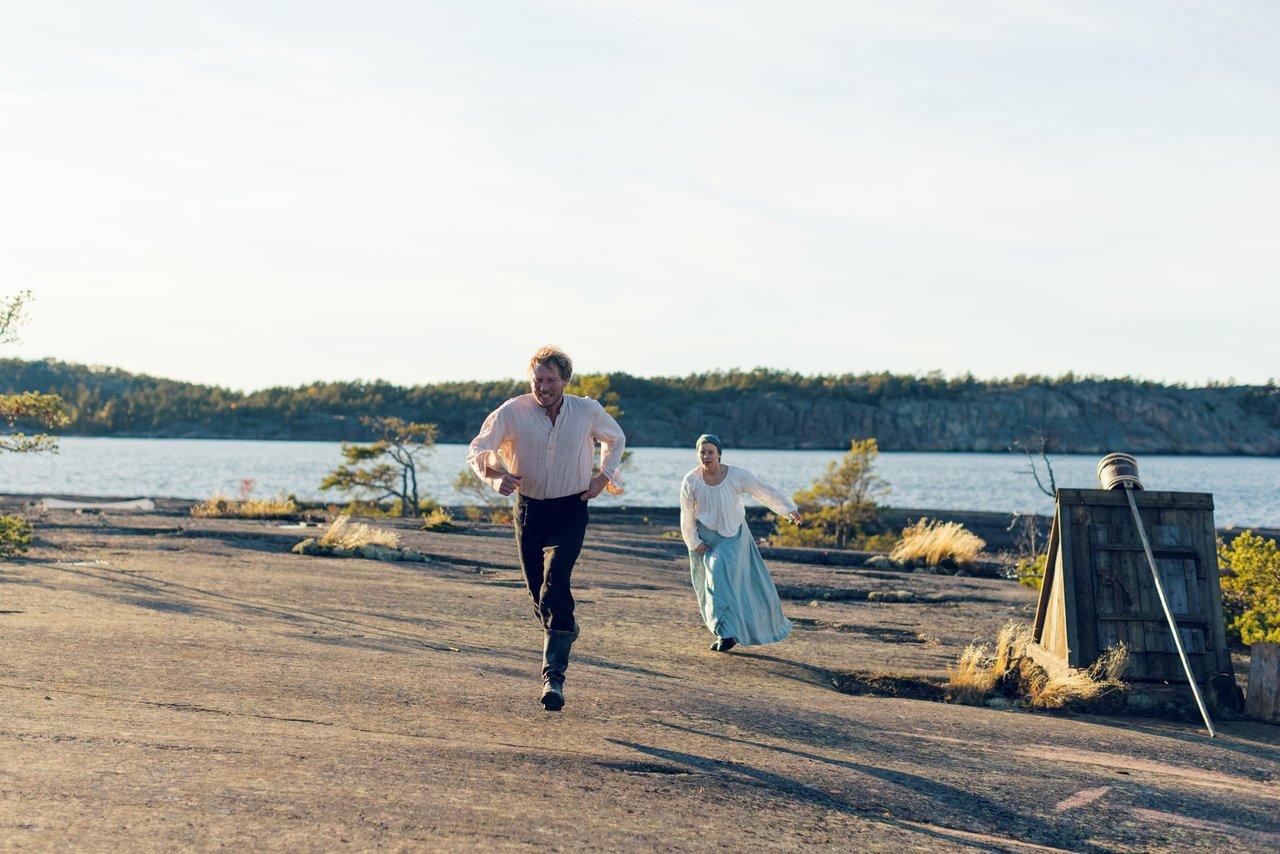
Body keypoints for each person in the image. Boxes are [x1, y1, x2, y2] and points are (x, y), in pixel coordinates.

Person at [467, 346, 626, 711]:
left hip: (572, 508)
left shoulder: (587, 410)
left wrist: (603, 478)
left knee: (556, 583)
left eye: (550, 380)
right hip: (530, 510)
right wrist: (497, 478)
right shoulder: (512, 412)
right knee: (539, 595)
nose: (543, 387)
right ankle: (564, 629)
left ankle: (552, 678)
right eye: (537, 380)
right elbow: (478, 449)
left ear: (565, 380)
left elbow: (615, 439)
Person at [679, 433, 801, 652]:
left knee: (719, 575)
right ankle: (725, 632)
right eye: (702, 452)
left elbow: (763, 490)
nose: (706, 456)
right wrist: (693, 541)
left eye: (710, 452)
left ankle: (728, 633)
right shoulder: (691, 480)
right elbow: (686, 514)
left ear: (719, 454)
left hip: (733, 536)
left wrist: (789, 510)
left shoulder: (737, 475)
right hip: (706, 537)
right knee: (711, 586)